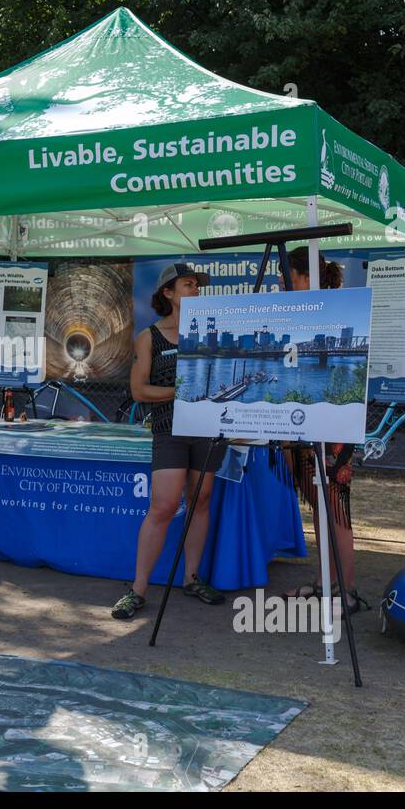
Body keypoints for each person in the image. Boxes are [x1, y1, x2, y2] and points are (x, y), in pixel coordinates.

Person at [112, 262, 226, 619]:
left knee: (201, 501)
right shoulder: (150, 337)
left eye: (197, 285)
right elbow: (138, 390)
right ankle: (138, 589)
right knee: (162, 506)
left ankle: (192, 578)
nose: (195, 290)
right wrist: (182, 392)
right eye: (188, 285)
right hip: (169, 430)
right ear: (168, 292)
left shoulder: (212, 331)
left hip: (208, 429)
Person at [283, 248, 370, 612]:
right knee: (320, 507)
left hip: (332, 429)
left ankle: (346, 591)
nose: (280, 283)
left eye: (284, 275)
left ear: (303, 276)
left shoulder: (334, 309)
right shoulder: (299, 313)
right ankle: (325, 583)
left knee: (335, 508)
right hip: (302, 428)